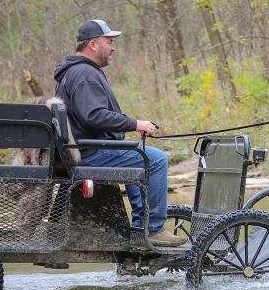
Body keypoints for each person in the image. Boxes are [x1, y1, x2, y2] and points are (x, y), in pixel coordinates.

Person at [54, 19, 184, 247]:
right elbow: (93, 116)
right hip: (89, 153)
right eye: (109, 41)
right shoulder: (84, 74)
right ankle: (153, 229)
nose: (113, 47)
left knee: (137, 157)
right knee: (156, 160)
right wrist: (137, 124)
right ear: (93, 44)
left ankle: (139, 227)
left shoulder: (78, 71)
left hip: (86, 149)